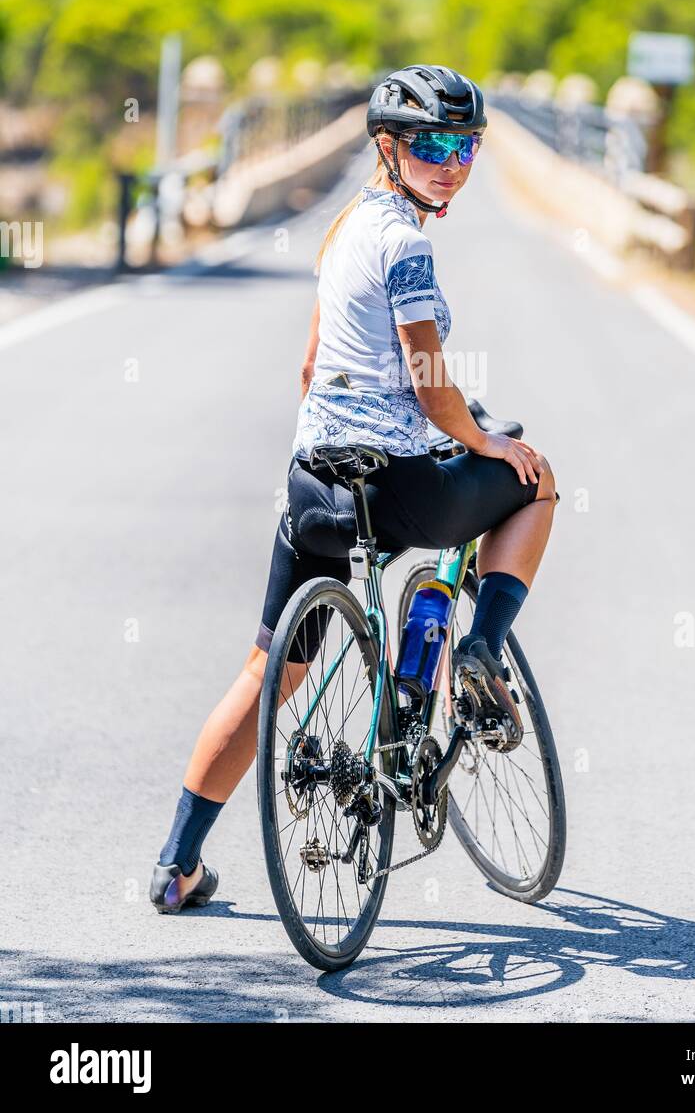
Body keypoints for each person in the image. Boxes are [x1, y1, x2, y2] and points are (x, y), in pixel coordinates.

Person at [150, 63, 557, 914]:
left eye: (468, 145)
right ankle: (477, 647)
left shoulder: (341, 231)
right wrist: (484, 440)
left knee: (270, 671)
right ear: (388, 145)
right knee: (534, 478)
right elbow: (426, 376)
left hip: (315, 485)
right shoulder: (407, 242)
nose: (453, 162)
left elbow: (312, 367)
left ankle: (177, 863)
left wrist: (325, 448)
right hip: (399, 488)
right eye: (433, 144)